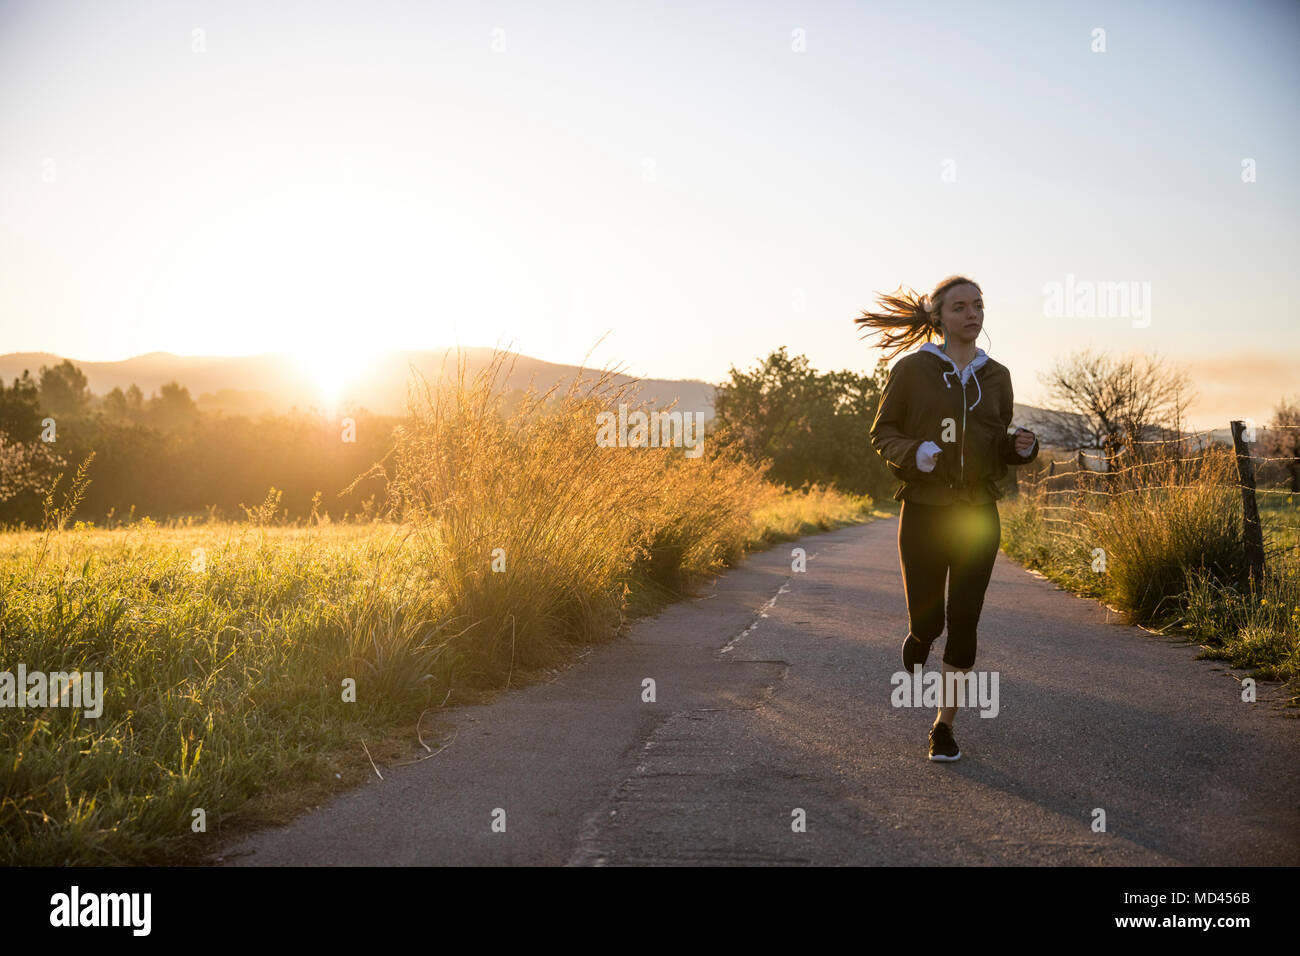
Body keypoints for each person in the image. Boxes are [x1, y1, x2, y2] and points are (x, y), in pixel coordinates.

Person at [857, 276, 1038, 761]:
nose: (972, 314)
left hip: (978, 513)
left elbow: (996, 441)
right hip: (924, 512)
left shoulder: (997, 375)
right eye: (959, 307)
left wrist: (1020, 447)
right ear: (938, 318)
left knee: (964, 620)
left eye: (978, 305)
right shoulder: (912, 370)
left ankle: (944, 726)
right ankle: (919, 635)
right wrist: (914, 453)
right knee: (931, 618)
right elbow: (883, 432)